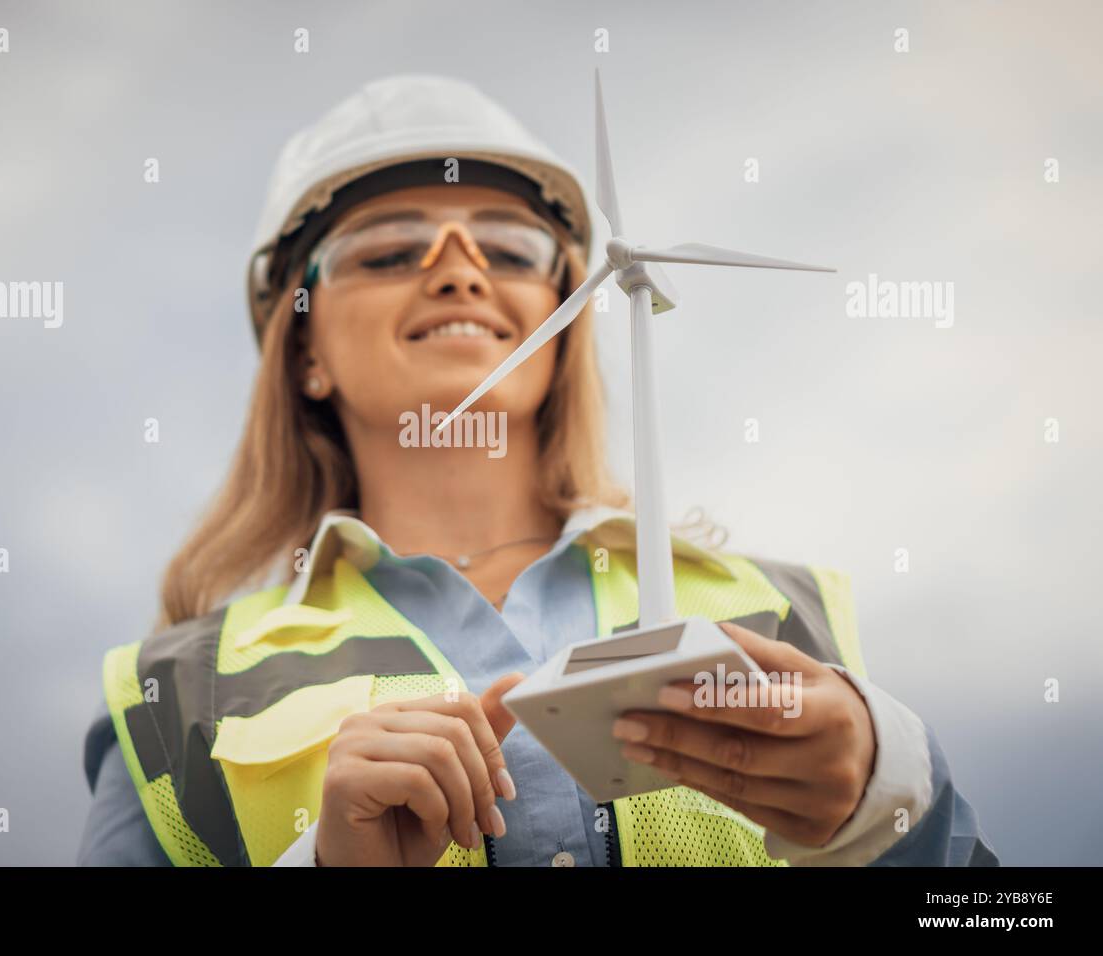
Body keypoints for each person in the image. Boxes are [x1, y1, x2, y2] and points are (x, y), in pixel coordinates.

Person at [76, 74, 997, 867]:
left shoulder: (784, 609)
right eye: (392, 249)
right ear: (303, 345)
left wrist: (886, 804)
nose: (459, 271)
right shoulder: (179, 692)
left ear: (565, 318)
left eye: (510, 249)